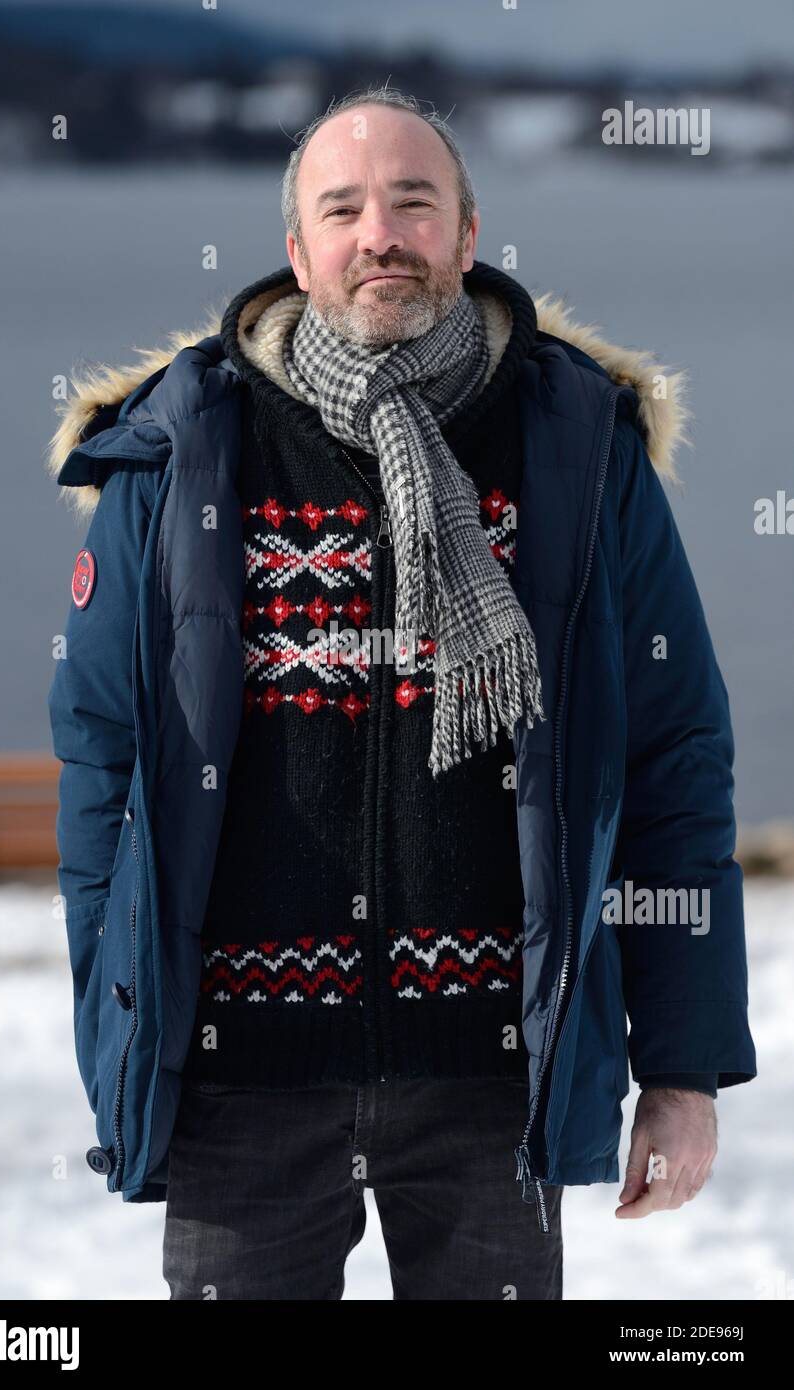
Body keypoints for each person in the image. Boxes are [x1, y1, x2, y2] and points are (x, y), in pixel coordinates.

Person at [46, 86, 757, 1300]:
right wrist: (122, 1035)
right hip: (242, 1079)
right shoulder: (174, 451)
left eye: (412, 202)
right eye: (344, 208)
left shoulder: (577, 446)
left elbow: (671, 761)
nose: (380, 232)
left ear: (465, 235)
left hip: (491, 1082)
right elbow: (104, 763)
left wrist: (682, 1071)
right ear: (297, 250)